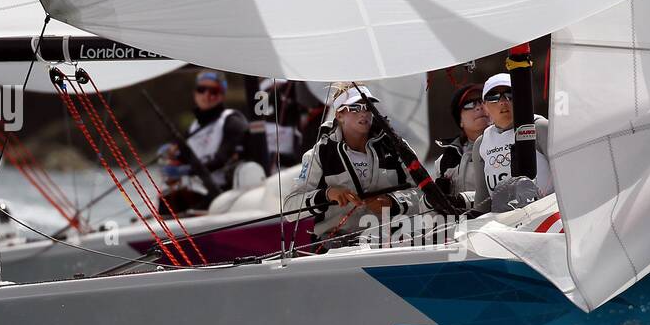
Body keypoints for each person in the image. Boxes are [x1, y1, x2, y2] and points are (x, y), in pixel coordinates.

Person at [283, 85, 419, 246]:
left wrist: (392, 202)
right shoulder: (319, 154)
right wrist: (327, 195)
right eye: (355, 108)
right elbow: (289, 209)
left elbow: (423, 191)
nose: (364, 112)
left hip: (392, 240)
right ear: (339, 115)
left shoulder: (396, 146)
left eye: (368, 107)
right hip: (337, 245)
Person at [158, 71, 252, 213]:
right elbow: (182, 159)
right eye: (201, 90)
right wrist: (171, 158)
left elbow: (221, 159)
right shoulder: (193, 128)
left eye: (213, 91)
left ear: (222, 94)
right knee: (165, 202)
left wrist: (187, 170)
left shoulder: (232, 121)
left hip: (225, 192)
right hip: (199, 190)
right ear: (195, 93)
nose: (206, 95)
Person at [472, 72, 552, 212]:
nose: (503, 102)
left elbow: (568, 178)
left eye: (510, 94)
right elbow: (482, 200)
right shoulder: (481, 143)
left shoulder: (540, 127)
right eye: (494, 97)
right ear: (484, 106)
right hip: (507, 224)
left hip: (546, 217)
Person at [428, 83, 489, 213]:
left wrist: (463, 200)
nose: (478, 107)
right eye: (469, 104)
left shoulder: (509, 144)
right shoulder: (444, 161)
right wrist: (432, 199)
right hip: (460, 229)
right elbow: (429, 210)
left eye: (482, 101)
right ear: (459, 120)